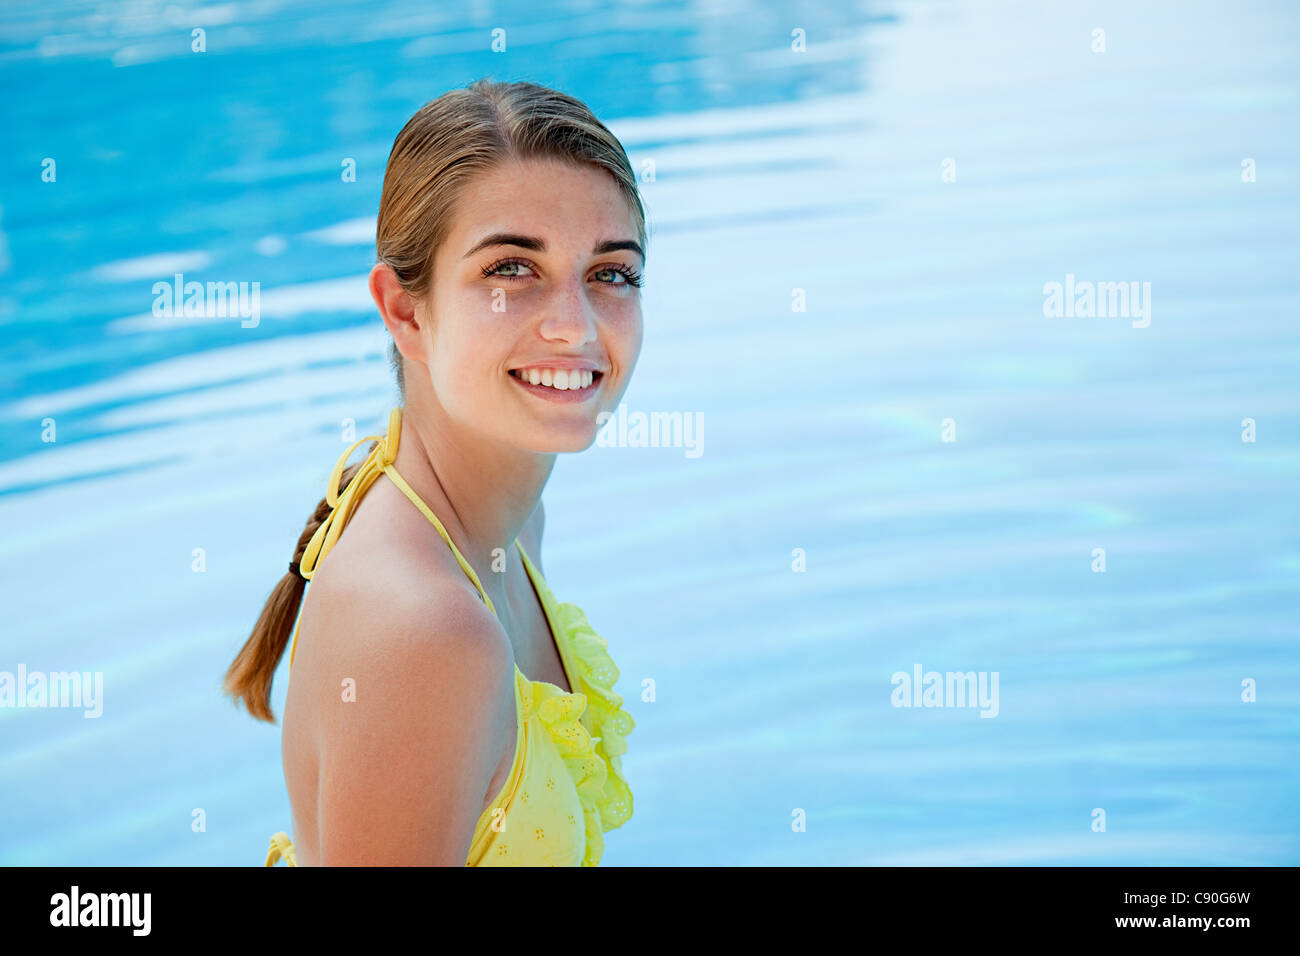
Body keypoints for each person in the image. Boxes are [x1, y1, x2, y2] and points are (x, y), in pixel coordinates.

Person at [225, 78, 643, 866]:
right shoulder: (429, 636)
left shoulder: (503, 527)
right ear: (406, 311)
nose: (576, 326)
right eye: (512, 269)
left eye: (611, 273)